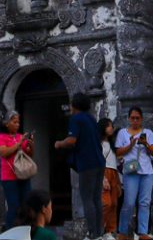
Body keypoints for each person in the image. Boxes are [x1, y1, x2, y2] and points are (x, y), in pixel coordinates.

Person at [53, 92, 105, 238]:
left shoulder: (76, 119)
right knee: (96, 199)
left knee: (87, 198)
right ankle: (99, 231)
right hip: (99, 162)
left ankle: (93, 233)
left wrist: (58, 143)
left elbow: (71, 140)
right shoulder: (91, 118)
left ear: (75, 105)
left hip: (87, 163)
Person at [114, 107, 153, 240]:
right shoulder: (123, 133)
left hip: (146, 171)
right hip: (131, 170)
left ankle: (142, 232)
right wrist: (131, 144)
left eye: (137, 118)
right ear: (129, 119)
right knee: (129, 202)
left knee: (145, 202)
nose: (135, 120)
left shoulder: (148, 133)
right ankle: (122, 231)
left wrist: (145, 142)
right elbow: (118, 152)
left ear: (141, 119)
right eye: (132, 118)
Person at [0, 110, 34, 229]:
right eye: (14, 122)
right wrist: (19, 144)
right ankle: (10, 231)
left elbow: (29, 155)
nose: (17, 124)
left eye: (18, 122)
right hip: (9, 177)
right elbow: (4, 153)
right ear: (7, 123)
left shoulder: (21, 137)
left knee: (26, 205)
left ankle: (25, 230)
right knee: (14, 206)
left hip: (23, 175)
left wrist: (31, 144)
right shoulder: (1, 138)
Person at [99, 118, 121, 239]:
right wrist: (103, 178)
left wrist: (118, 182)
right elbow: (98, 162)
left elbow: (116, 163)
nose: (111, 128)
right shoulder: (98, 143)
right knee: (106, 203)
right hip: (105, 172)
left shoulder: (112, 144)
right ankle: (98, 228)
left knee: (114, 203)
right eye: (109, 126)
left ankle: (110, 231)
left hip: (113, 172)